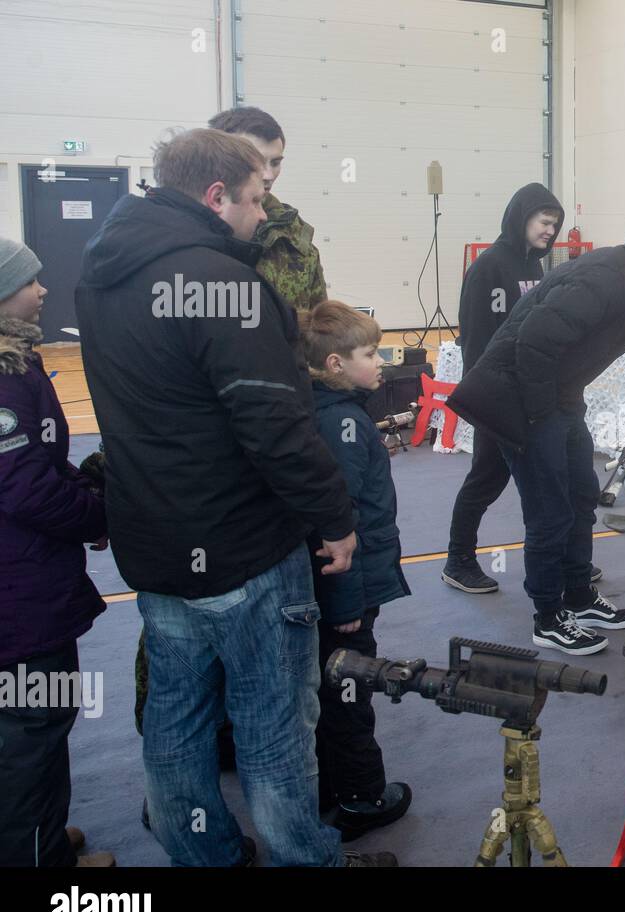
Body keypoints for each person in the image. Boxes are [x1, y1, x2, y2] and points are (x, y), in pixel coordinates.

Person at [76, 127, 393, 865]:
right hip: (243, 547)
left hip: (154, 545)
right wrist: (335, 518)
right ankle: (302, 856)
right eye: (256, 199)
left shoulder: (103, 274)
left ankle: (206, 852)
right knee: (273, 722)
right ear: (217, 196)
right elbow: (277, 426)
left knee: (177, 718)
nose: (262, 215)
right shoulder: (226, 286)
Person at [448, 194, 625, 655]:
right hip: (520, 396)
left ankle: (579, 596)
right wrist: (541, 413)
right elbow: (534, 342)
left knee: (581, 494)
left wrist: (565, 403)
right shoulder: (610, 277)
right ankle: (548, 616)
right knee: (550, 509)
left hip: (556, 396)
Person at [0, 241, 113, 867]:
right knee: (32, 732)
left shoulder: (19, 362)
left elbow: (44, 467)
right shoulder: (4, 376)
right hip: (19, 601)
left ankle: (41, 840)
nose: (43, 291)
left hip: (26, 583)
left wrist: (84, 499)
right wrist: (96, 516)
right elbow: (25, 488)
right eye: (30, 281)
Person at [300, 300, 413, 840]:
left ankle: (326, 787)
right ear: (335, 364)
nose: (382, 363)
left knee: (323, 687)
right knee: (349, 689)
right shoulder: (343, 422)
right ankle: (362, 798)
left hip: (334, 588)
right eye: (370, 353)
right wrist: (345, 604)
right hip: (346, 590)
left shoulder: (323, 410)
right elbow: (336, 521)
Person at [443, 184, 565, 594]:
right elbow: (475, 341)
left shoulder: (535, 266)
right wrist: (489, 398)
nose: (550, 232)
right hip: (497, 397)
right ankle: (458, 560)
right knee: (486, 478)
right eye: (544, 223)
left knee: (546, 477)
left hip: (529, 394)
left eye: (555, 225)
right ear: (522, 218)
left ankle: (559, 559)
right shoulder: (489, 267)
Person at [210, 106, 328, 312]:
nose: (268, 175)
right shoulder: (186, 231)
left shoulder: (293, 234)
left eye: (275, 162)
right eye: (253, 161)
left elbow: (319, 328)